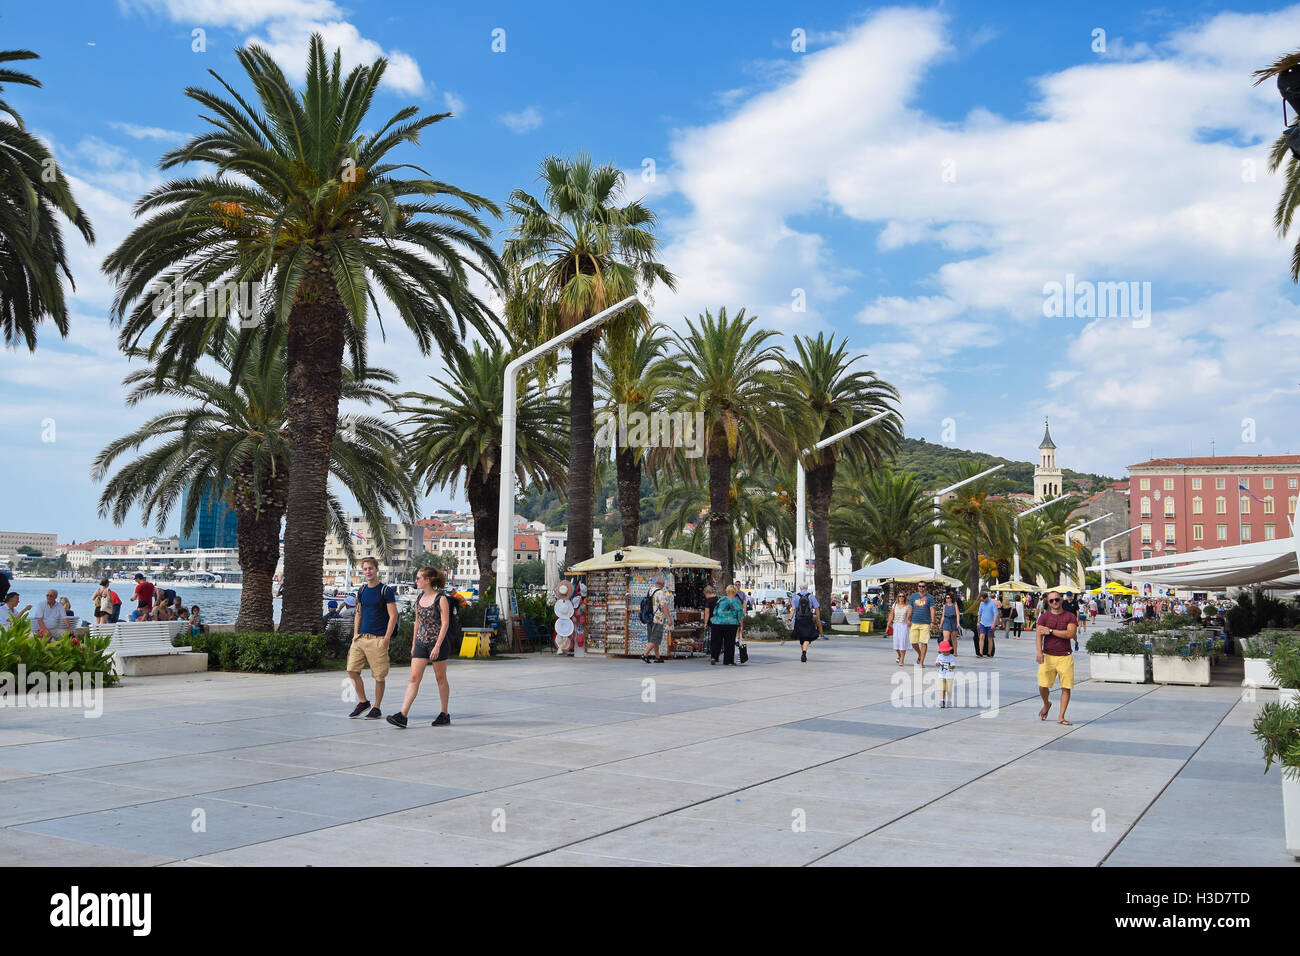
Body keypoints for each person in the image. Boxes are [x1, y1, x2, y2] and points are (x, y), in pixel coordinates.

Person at [388, 566, 453, 729]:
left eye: (418, 578)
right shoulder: (419, 598)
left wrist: (437, 646)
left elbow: (445, 623)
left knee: (440, 679)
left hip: (437, 643)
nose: (416, 581)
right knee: (413, 679)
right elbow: (417, 622)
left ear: (427, 580)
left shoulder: (441, 599)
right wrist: (413, 644)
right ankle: (402, 715)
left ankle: (444, 714)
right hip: (420, 643)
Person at [347, 556, 397, 719]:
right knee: (352, 670)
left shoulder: (385, 591)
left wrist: (386, 638)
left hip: (378, 639)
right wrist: (355, 634)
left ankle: (376, 707)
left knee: (379, 676)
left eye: (371, 568)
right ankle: (363, 702)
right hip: (361, 638)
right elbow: (358, 613)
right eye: (365, 569)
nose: (368, 571)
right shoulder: (361, 590)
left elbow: (393, 615)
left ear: (377, 570)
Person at [1035, 590, 1079, 725]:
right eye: (1051, 600)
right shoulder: (1044, 617)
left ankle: (1061, 716)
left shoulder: (1070, 617)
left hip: (1065, 656)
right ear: (1048, 602)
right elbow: (1039, 634)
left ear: (1061, 599)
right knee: (1043, 685)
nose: (1054, 602)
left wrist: (1051, 631)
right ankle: (1046, 703)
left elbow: (1070, 634)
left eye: (1057, 599)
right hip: (1047, 655)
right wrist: (1039, 652)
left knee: (1066, 687)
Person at [710, 585, 744, 665]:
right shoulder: (737, 602)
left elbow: (715, 612)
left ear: (727, 591)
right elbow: (740, 615)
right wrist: (741, 624)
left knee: (716, 641)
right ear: (735, 592)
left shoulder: (721, 600)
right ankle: (728, 661)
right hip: (731, 624)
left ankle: (714, 657)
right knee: (729, 643)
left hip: (718, 623)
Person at [643, 574, 672, 664]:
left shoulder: (651, 590)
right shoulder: (660, 592)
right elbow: (663, 606)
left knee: (653, 638)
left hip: (650, 617)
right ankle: (645, 655)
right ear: (662, 584)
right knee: (655, 638)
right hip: (658, 618)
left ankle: (657, 657)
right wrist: (669, 618)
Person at [789, 583, 821, 663]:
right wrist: (818, 618)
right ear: (807, 588)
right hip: (808, 619)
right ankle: (804, 652)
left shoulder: (796, 597)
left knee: (801, 637)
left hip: (799, 619)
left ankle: (803, 652)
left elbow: (793, 609)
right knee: (807, 637)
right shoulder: (811, 596)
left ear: (800, 588)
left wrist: (790, 618)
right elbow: (817, 608)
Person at [906, 581, 935, 666]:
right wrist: (908, 619)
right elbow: (910, 608)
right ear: (917, 587)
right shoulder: (913, 596)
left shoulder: (930, 597)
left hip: (925, 623)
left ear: (925, 587)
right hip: (914, 622)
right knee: (913, 642)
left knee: (924, 642)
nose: (921, 588)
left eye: (923, 586)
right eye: (920, 586)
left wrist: (932, 621)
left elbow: (932, 609)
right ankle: (920, 654)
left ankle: (921, 662)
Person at [887, 591, 910, 666]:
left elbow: (908, 618)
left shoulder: (908, 606)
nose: (901, 598)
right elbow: (891, 615)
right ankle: (900, 656)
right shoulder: (895, 605)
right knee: (896, 644)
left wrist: (910, 624)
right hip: (896, 625)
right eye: (900, 596)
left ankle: (902, 660)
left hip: (904, 626)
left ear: (905, 597)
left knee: (902, 643)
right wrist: (888, 625)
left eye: (903, 596)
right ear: (898, 597)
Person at [976, 591, 998, 658]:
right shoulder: (982, 603)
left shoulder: (993, 603)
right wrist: (978, 622)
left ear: (986, 598)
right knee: (981, 636)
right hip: (982, 623)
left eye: (983, 600)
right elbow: (979, 613)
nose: (982, 601)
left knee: (990, 638)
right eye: (981, 600)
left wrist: (993, 624)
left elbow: (995, 615)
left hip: (990, 624)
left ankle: (989, 653)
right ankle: (981, 653)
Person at [936, 640, 956, 708]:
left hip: (949, 675)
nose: (946, 653)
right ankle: (942, 700)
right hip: (942, 674)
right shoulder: (939, 656)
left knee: (949, 689)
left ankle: (949, 701)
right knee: (943, 688)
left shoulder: (952, 657)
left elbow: (953, 666)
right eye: (944, 651)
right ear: (941, 651)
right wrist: (938, 664)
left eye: (947, 651)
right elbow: (937, 664)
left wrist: (951, 666)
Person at [702, 585, 719, 662]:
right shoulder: (718, 599)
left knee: (712, 640)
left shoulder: (708, 601)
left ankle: (713, 656)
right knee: (718, 639)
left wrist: (705, 623)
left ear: (707, 593)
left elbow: (707, 613)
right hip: (719, 621)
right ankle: (717, 655)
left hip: (711, 622)